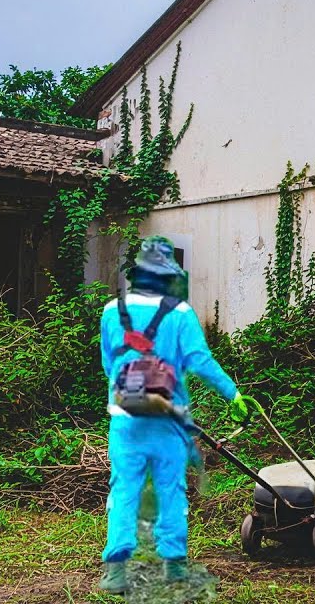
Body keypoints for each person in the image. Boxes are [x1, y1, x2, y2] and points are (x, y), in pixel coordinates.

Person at [98, 236, 251, 593]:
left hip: (125, 419)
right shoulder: (180, 314)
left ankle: (115, 572)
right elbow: (201, 362)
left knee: (124, 490)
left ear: (136, 274)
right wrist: (235, 394)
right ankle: (175, 566)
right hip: (170, 421)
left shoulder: (110, 310)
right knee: (171, 490)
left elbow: (109, 363)